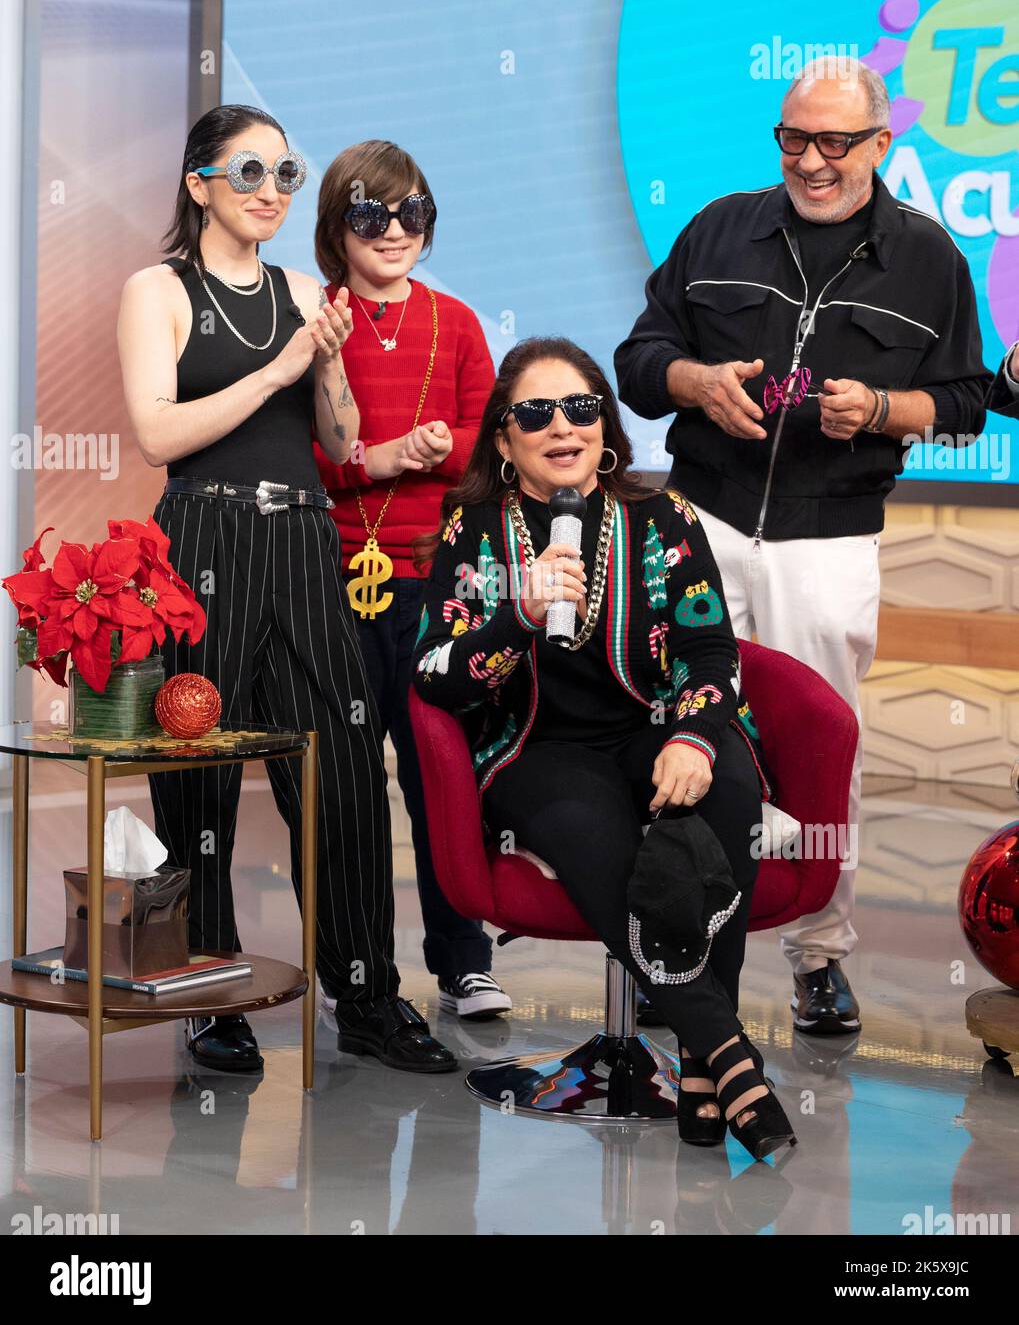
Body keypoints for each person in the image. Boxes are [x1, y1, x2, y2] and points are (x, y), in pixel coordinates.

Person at [615, 57, 991, 1036]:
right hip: (696, 521)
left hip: (828, 540)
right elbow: (636, 361)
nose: (811, 162)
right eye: (793, 140)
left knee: (821, 751)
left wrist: (877, 409)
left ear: (879, 144)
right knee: (678, 730)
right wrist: (694, 382)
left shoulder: (928, 259)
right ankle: (673, 944)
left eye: (833, 142)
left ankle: (819, 954)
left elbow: (962, 402)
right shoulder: (717, 227)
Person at [117, 104, 456, 1075]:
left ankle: (367, 995)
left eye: (285, 174)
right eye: (249, 171)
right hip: (207, 530)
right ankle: (205, 987)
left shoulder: (304, 289)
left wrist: (330, 359)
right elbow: (158, 436)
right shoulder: (159, 289)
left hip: (306, 535)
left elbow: (342, 444)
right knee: (199, 765)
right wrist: (284, 364)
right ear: (199, 184)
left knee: (345, 767)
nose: (270, 190)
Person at [412, 335, 796, 1159]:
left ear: (605, 425)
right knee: (597, 837)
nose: (563, 427)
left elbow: (710, 653)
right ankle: (725, 1056)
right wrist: (518, 610)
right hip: (536, 751)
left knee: (726, 783)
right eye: (536, 413)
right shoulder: (472, 530)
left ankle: (699, 1066)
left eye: (581, 408)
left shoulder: (661, 518)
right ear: (504, 439)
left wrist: (692, 736)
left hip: (654, 727)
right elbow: (435, 672)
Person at [312, 139, 510, 1021]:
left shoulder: (458, 323)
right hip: (330, 577)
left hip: (437, 585)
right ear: (334, 229)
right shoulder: (315, 318)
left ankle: (463, 960)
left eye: (411, 213)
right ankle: (355, 968)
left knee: (438, 772)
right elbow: (295, 455)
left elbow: (492, 442)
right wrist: (376, 460)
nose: (393, 230)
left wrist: (443, 452)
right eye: (369, 215)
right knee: (344, 782)